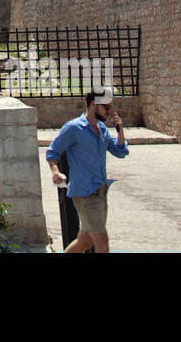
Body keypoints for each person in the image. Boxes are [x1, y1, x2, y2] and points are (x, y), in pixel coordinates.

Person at [46, 88, 129, 253]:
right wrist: (55, 171)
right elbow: (52, 151)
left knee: (84, 242)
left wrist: (120, 131)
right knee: (102, 241)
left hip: (100, 193)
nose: (109, 112)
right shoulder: (74, 128)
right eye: (106, 107)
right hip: (85, 194)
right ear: (93, 104)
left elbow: (120, 152)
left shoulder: (103, 129)